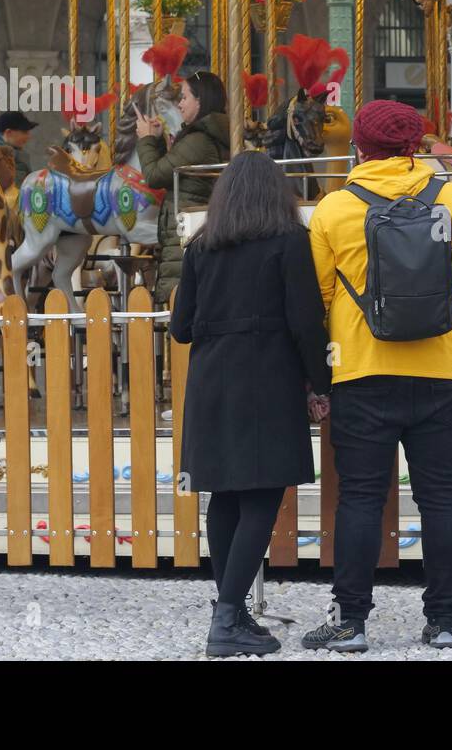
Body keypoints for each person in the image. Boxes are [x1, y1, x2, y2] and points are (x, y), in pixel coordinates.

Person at [303, 99, 452, 653]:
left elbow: (317, 299)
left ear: (359, 147)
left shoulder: (334, 209)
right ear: (416, 146)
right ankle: (443, 622)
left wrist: (316, 377)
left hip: (360, 370)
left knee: (362, 497)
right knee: (440, 494)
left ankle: (351, 621)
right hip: (442, 370)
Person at [169, 151, 331, 658]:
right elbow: (305, 323)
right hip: (266, 379)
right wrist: (320, 383)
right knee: (262, 496)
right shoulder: (289, 242)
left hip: (211, 380)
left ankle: (233, 611)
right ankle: (225, 621)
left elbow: (180, 328)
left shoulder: (201, 247)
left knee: (224, 494)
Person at [135, 70, 231, 303]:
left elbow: (155, 176)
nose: (180, 103)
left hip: (186, 233)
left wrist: (146, 139)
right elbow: (169, 171)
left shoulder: (198, 140)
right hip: (193, 228)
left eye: (185, 97)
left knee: (179, 301)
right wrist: (157, 140)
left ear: (200, 101)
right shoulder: (206, 136)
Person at [0, 111, 36, 188]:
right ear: (9, 133)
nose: (28, 136)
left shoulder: (15, 152)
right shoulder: (1, 158)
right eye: (24, 132)